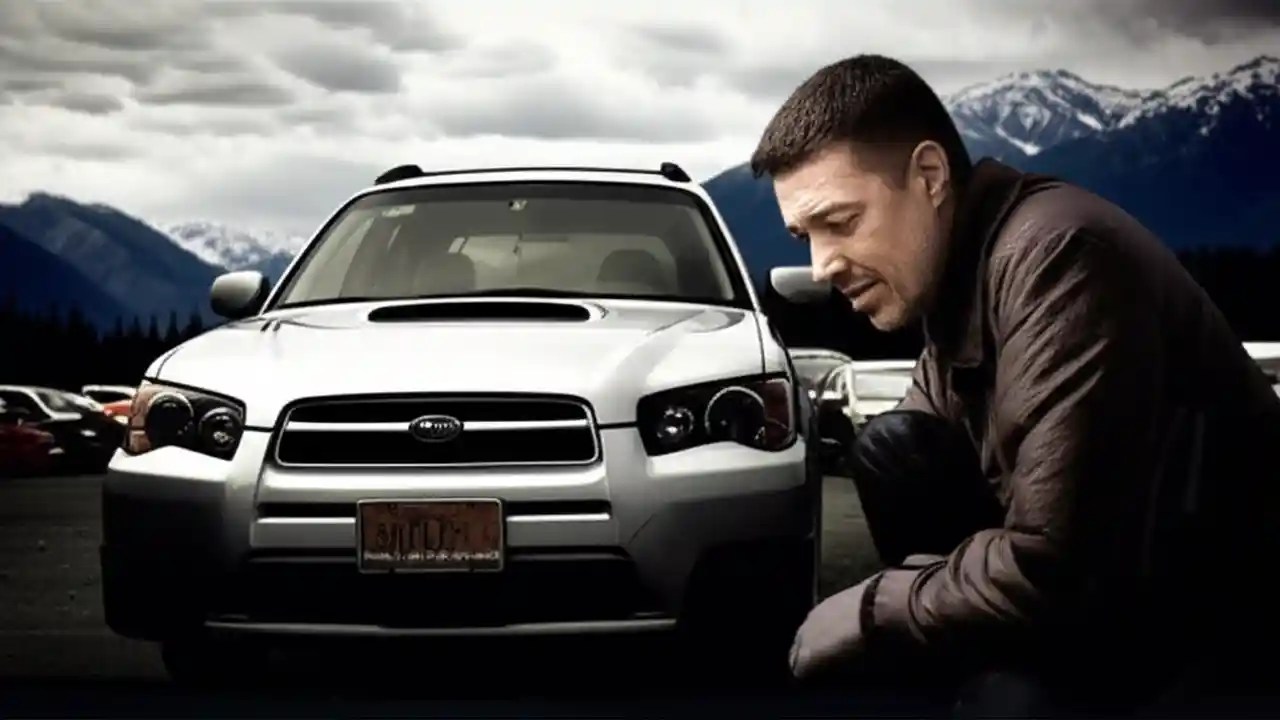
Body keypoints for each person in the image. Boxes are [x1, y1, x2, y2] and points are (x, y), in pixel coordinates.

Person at [750, 54, 1280, 716]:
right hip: (1115, 602)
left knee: (1006, 701)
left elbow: (1052, 563)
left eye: (841, 221)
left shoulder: (1059, 256)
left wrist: (873, 606)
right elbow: (925, 457)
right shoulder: (957, 285)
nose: (820, 266)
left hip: (1219, 620)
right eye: (804, 235)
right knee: (894, 446)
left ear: (930, 176)